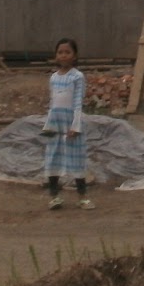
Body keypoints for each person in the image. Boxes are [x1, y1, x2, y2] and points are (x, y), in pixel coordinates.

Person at [41, 38, 92, 210]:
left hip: (71, 123)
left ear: (75, 55)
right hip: (56, 123)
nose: (63, 55)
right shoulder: (54, 78)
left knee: (76, 159)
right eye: (60, 52)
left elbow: (78, 102)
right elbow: (52, 102)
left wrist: (75, 126)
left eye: (67, 52)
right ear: (56, 56)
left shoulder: (77, 77)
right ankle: (54, 197)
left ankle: (83, 197)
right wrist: (49, 125)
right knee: (53, 158)